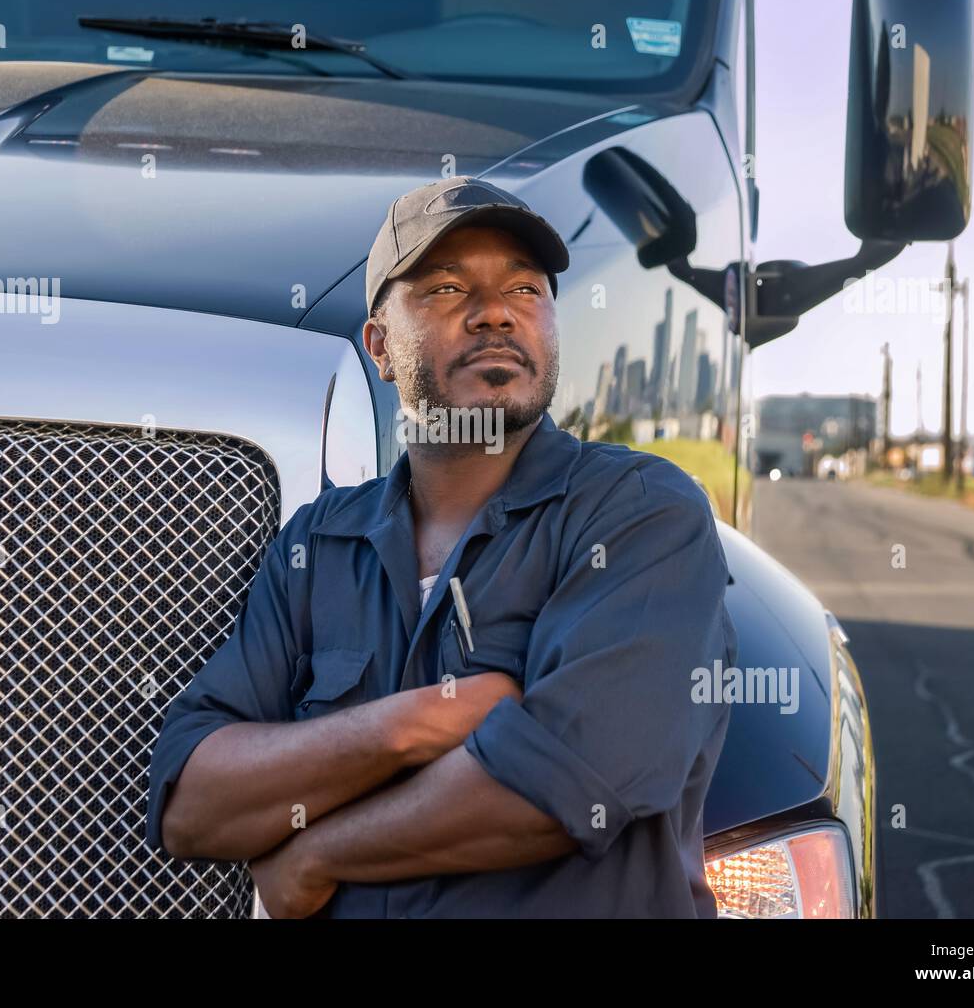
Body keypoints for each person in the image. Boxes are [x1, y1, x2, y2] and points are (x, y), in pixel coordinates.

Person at [145, 175, 737, 918]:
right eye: (448, 288)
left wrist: (316, 849)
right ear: (380, 346)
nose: (495, 312)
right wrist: (415, 722)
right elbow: (192, 803)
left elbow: (569, 786)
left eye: (526, 290)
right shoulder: (316, 545)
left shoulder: (640, 514)